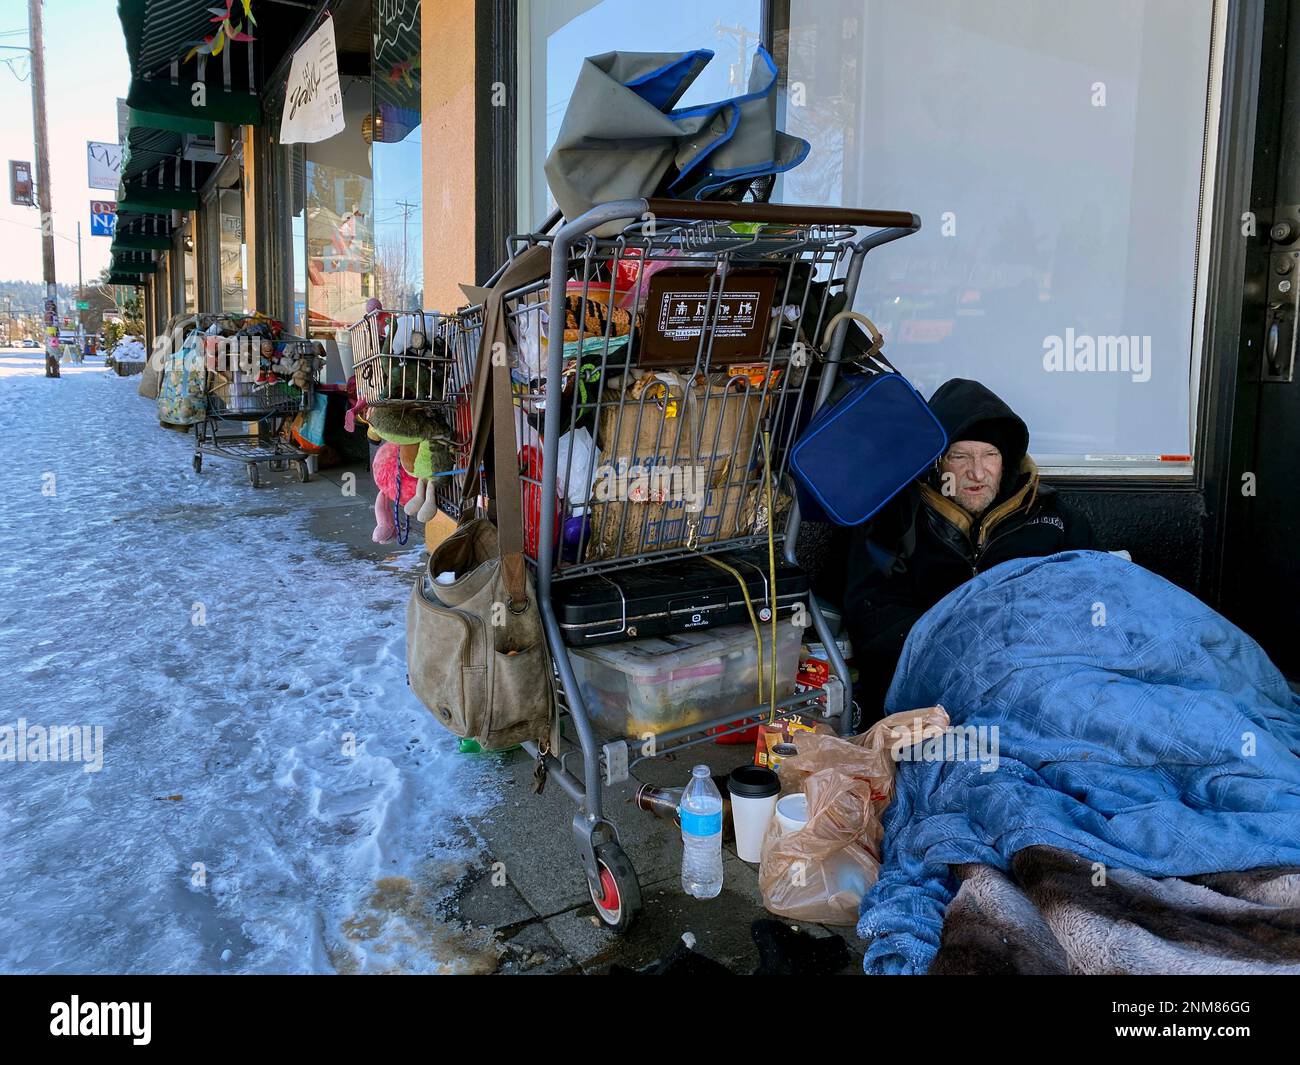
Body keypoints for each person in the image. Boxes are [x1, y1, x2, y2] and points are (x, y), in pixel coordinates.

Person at [843, 378, 1093, 721]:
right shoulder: (894, 520)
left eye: (990, 455)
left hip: (1033, 702)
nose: (977, 472)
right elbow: (873, 617)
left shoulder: (1055, 519)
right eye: (960, 456)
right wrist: (963, 650)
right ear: (936, 462)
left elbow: (1093, 609)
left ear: (1006, 462)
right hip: (926, 706)